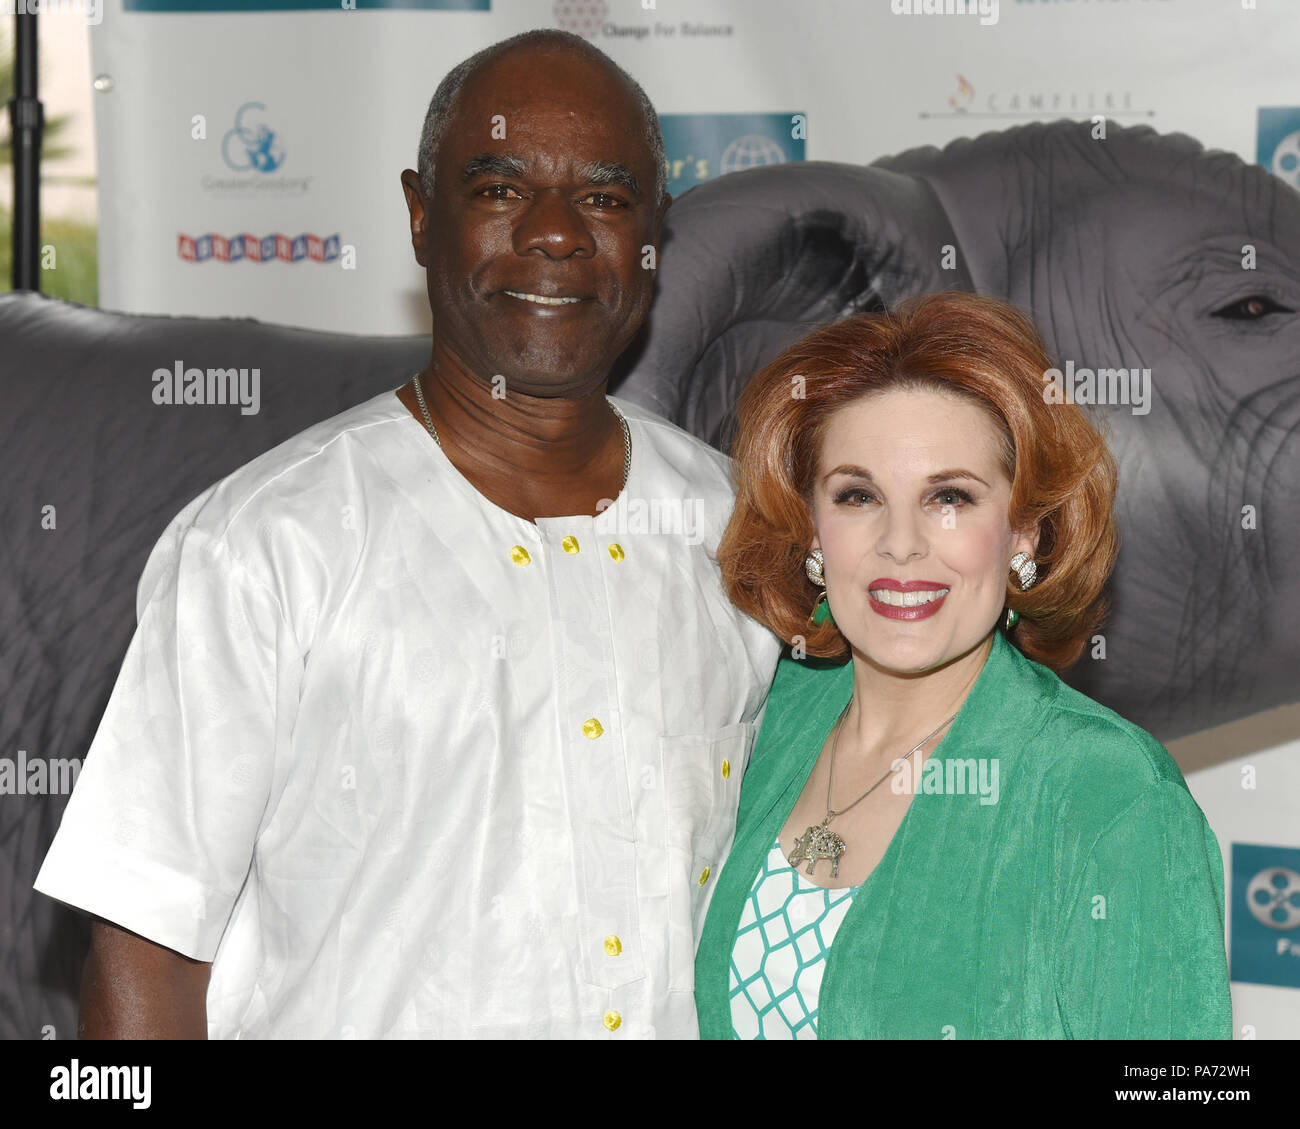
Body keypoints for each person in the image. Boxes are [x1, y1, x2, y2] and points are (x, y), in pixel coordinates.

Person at [33, 29, 780, 1039]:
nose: (556, 233)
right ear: (422, 217)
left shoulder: (743, 539)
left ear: (655, 234)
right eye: (501, 189)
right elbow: (146, 957)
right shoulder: (264, 547)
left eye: (604, 197)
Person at [694, 292, 1233, 1039]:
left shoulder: (1107, 791)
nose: (902, 542)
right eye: (857, 495)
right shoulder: (776, 713)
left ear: (1023, 531)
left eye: (950, 496)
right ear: (810, 527)